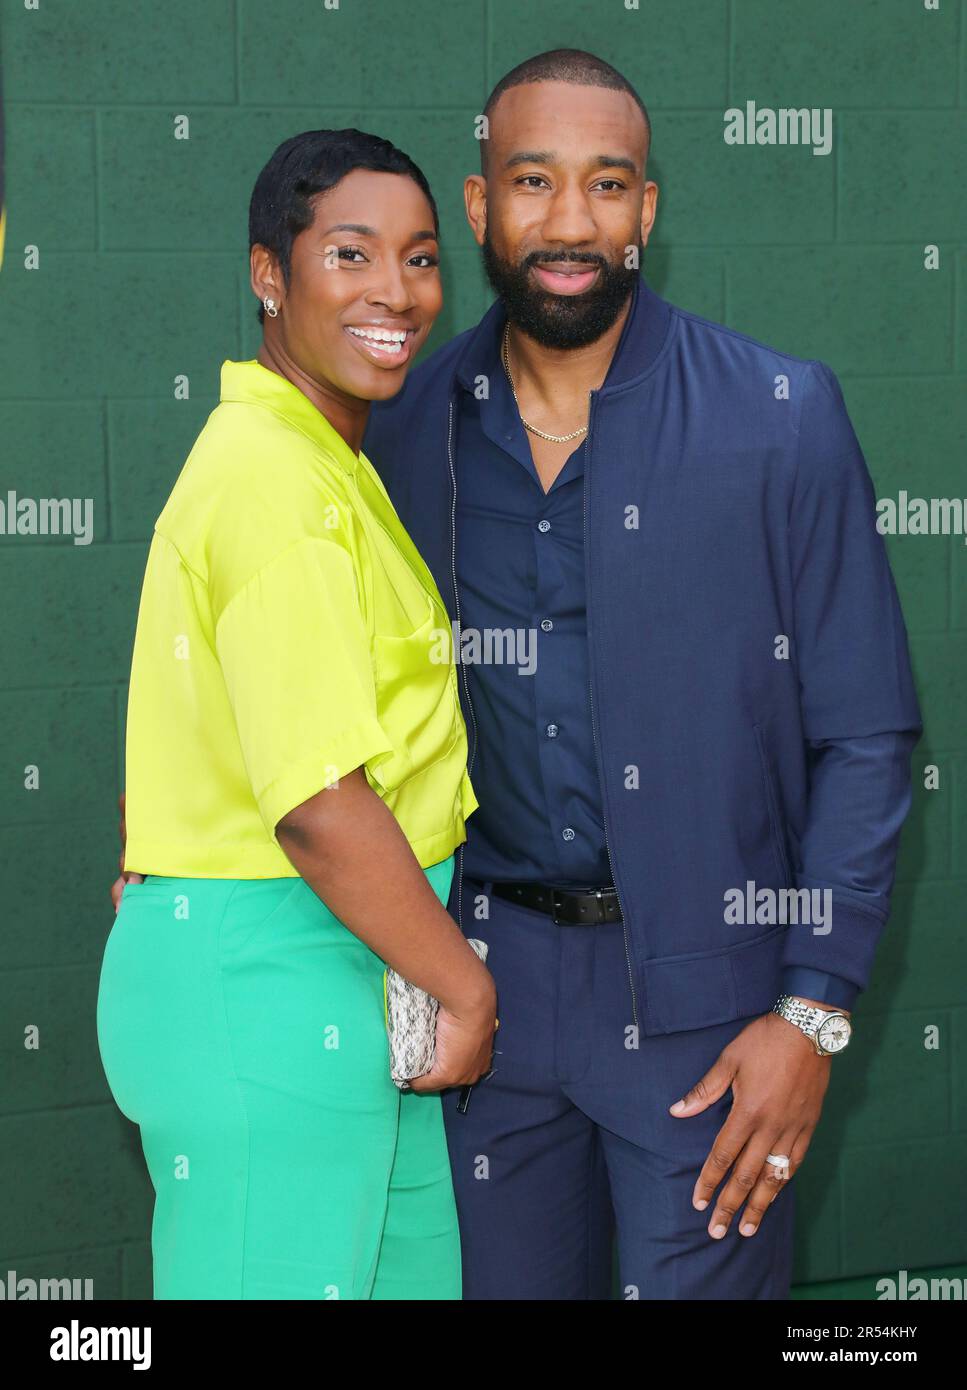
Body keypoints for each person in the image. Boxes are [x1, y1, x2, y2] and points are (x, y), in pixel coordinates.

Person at [359, 50, 922, 1299]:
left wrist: (812, 1012)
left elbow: (869, 737)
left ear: (648, 211)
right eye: (532, 181)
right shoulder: (404, 427)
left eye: (606, 185)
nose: (569, 222)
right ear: (477, 204)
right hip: (482, 1002)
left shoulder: (782, 415)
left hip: (714, 1012)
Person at [97, 128, 496, 1301]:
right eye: (351, 254)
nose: (395, 293)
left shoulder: (316, 457)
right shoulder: (273, 478)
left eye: (420, 259)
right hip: (271, 981)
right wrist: (466, 989)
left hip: (354, 970)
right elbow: (321, 805)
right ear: (269, 273)